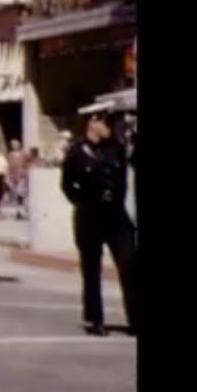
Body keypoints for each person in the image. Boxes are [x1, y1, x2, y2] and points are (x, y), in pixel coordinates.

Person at [61, 109, 136, 336]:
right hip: (89, 217)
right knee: (92, 270)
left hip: (115, 216)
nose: (110, 127)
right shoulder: (76, 153)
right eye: (105, 123)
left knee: (131, 265)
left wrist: (116, 204)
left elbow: (122, 182)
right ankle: (95, 319)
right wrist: (82, 203)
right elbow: (66, 185)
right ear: (93, 123)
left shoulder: (116, 149)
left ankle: (136, 319)